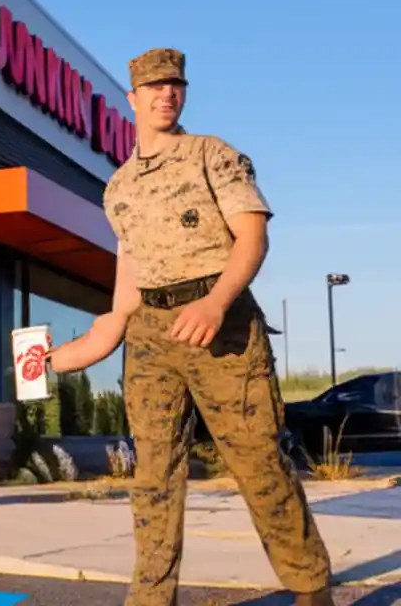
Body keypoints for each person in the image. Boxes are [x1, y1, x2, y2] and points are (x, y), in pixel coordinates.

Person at [46, 48, 334, 606]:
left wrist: (217, 302)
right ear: (131, 98)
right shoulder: (119, 188)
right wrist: (88, 342)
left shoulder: (213, 155)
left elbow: (252, 237)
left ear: (183, 92)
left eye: (174, 85)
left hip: (220, 324)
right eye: (153, 86)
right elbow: (129, 273)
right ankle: (152, 598)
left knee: (257, 461)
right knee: (153, 473)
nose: (165, 94)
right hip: (152, 334)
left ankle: (309, 586)